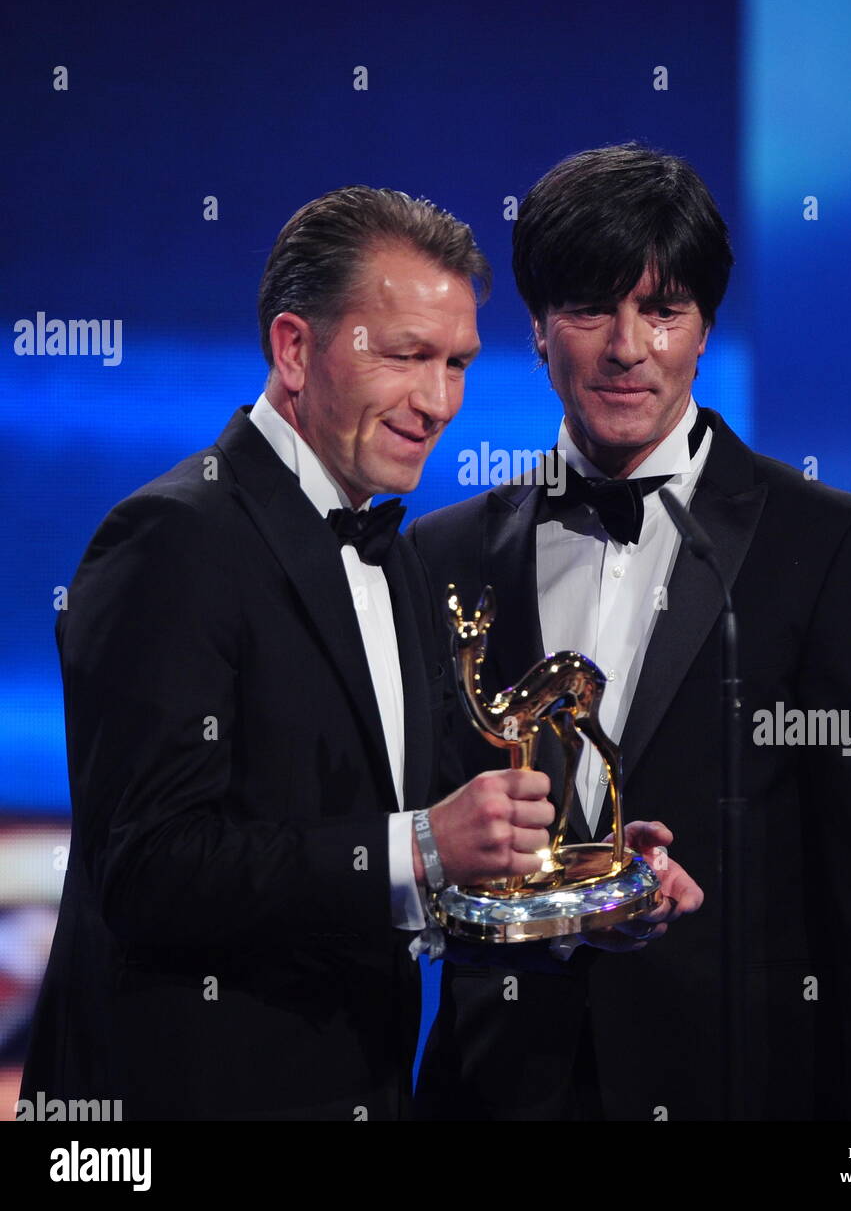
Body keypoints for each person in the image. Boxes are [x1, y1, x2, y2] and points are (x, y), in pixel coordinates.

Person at [408, 144, 851, 1121]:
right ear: (537, 330)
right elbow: (403, 857)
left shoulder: (823, 547)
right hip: (494, 1096)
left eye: (660, 309)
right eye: (590, 308)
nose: (627, 347)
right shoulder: (442, 559)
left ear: (703, 327)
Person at [18, 186, 561, 1121]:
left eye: (458, 365)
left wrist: (573, 884)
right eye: (406, 357)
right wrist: (422, 845)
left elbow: (385, 858)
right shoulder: (171, 539)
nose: (438, 403)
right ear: (296, 349)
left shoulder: (396, 559)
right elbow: (148, 871)